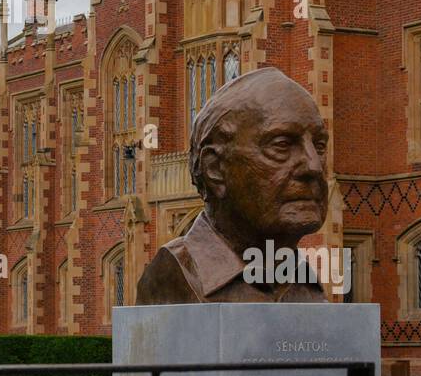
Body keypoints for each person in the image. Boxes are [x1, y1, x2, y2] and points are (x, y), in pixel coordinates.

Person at [136, 67, 329, 304]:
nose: (314, 167)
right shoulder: (173, 275)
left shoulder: (307, 285)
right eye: (281, 145)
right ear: (215, 169)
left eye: (319, 146)